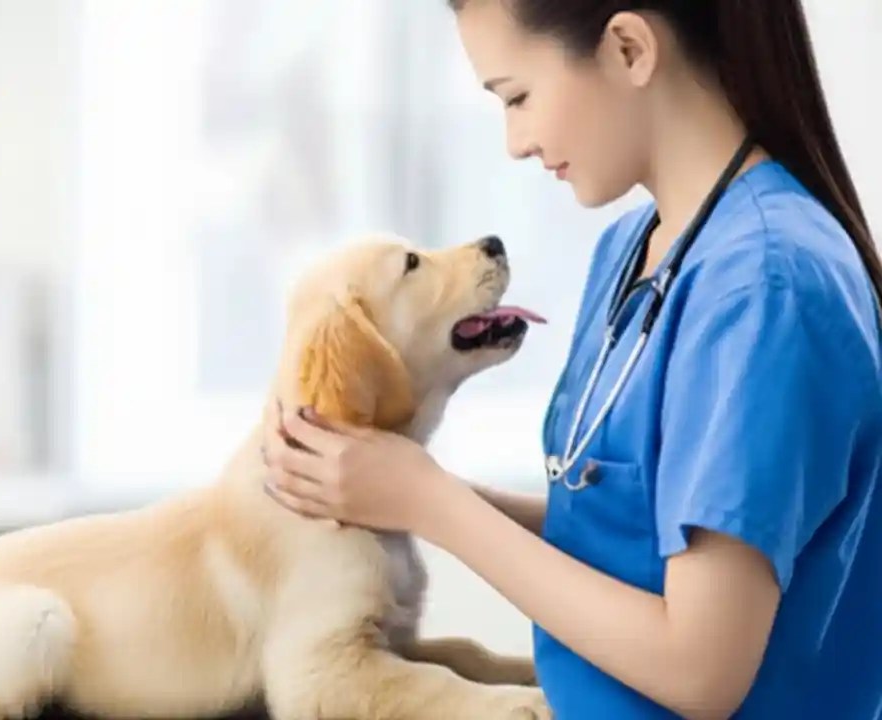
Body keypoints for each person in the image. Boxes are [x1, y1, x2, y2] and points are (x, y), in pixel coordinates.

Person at [261, 1, 882, 718]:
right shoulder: (632, 251)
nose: (514, 142)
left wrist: (432, 504)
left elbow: (700, 669)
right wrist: (414, 492)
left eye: (517, 97)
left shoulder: (766, 288)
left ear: (627, 49)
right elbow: (626, 527)